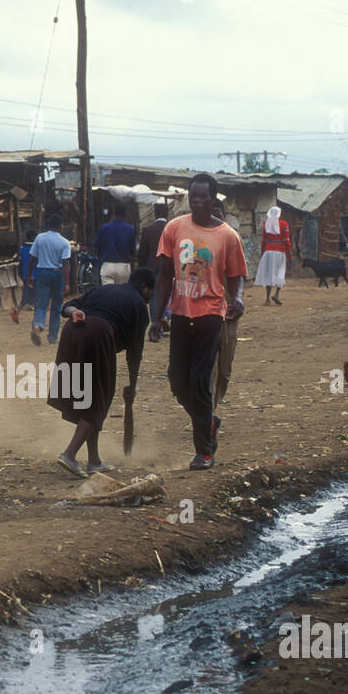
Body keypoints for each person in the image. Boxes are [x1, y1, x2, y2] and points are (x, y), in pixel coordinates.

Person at [149, 173, 248, 471]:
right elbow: (165, 275)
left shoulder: (228, 236)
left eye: (203, 197)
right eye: (193, 197)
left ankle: (204, 452)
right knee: (178, 382)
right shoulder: (174, 228)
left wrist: (238, 299)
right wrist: (156, 316)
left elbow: (236, 277)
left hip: (210, 315)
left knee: (199, 382)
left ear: (213, 199)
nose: (198, 202)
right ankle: (209, 422)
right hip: (180, 314)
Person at [50, 268, 153, 477]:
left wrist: (73, 314)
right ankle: (69, 454)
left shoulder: (102, 290)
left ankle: (94, 460)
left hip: (71, 332)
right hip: (97, 336)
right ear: (144, 287)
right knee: (98, 399)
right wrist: (132, 385)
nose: (152, 297)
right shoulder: (139, 306)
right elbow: (135, 352)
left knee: (85, 396)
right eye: (152, 291)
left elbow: (67, 307)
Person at [211, 200, 246, 403]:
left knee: (224, 366)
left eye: (219, 216)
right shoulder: (196, 240)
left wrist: (237, 298)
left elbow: (240, 275)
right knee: (207, 365)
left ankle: (214, 405)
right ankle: (207, 413)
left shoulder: (232, 238)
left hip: (229, 311)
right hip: (204, 311)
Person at [27, 213, 72, 346]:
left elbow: (32, 259)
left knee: (41, 304)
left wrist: (29, 275)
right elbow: (66, 264)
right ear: (61, 226)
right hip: (57, 274)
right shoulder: (64, 242)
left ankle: (38, 325)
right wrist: (67, 283)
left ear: (49, 225)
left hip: (42, 272)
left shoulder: (40, 238)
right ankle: (53, 337)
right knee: (56, 306)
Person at [139, 202, 171, 333]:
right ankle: (167, 317)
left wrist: (142, 270)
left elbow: (142, 253)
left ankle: (157, 325)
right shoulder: (172, 229)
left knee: (153, 298)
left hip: (151, 269)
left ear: (155, 214)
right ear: (167, 213)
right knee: (167, 295)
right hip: (169, 269)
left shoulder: (148, 230)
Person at [92, 201, 136, 285]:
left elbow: (97, 247)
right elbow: (132, 251)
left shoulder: (104, 228)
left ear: (114, 213)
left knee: (108, 295)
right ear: (126, 213)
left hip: (107, 265)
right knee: (122, 294)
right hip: (124, 266)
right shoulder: (130, 229)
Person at [254, 205, 290, 306]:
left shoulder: (266, 224)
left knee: (269, 274)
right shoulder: (284, 224)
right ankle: (277, 294)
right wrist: (289, 253)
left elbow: (263, 241)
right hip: (280, 252)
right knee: (280, 273)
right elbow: (286, 240)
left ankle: (267, 299)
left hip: (268, 252)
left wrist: (262, 253)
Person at [10, 228, 37, 323]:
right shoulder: (36, 248)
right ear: (34, 238)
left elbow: (20, 263)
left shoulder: (22, 249)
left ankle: (16, 311)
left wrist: (22, 275)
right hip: (35, 275)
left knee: (26, 297)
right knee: (37, 297)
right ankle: (36, 319)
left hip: (26, 276)